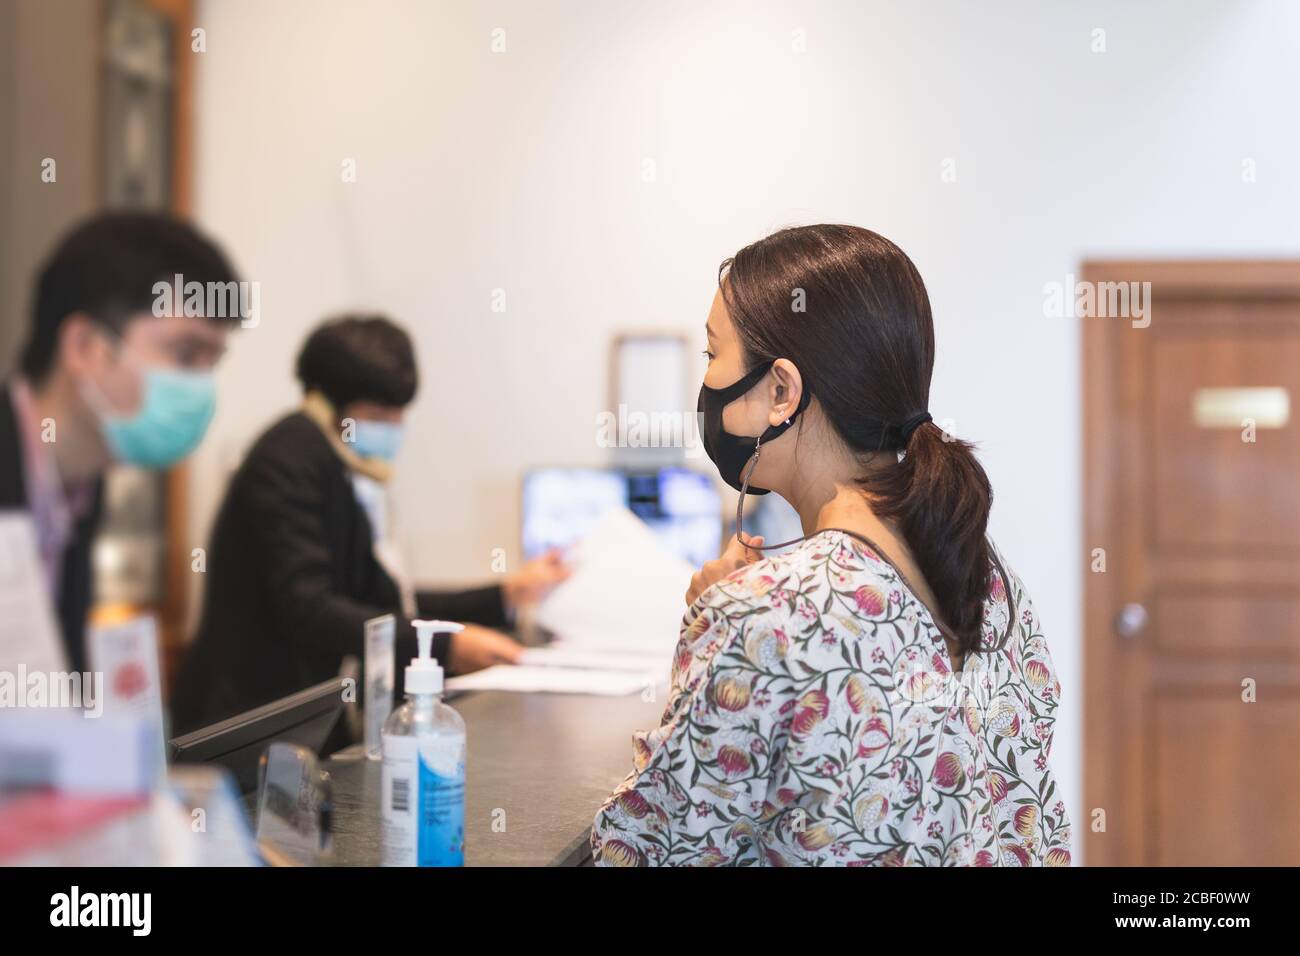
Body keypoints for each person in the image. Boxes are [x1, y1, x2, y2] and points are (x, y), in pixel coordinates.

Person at [591, 225, 1071, 866]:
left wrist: (718, 628)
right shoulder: (989, 578)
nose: (705, 381)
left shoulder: (760, 613)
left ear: (781, 392)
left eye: (712, 354)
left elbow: (639, 852)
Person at [170, 315, 568, 732]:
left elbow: (384, 599)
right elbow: (311, 607)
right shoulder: (288, 460)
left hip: (298, 715)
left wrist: (504, 594)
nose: (394, 427)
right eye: (379, 414)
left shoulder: (341, 467)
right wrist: (446, 645)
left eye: (399, 414)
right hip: (245, 719)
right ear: (327, 404)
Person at [0, 212, 241, 673]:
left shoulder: (82, 489)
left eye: (212, 362)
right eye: (186, 354)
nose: (201, 387)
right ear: (84, 346)